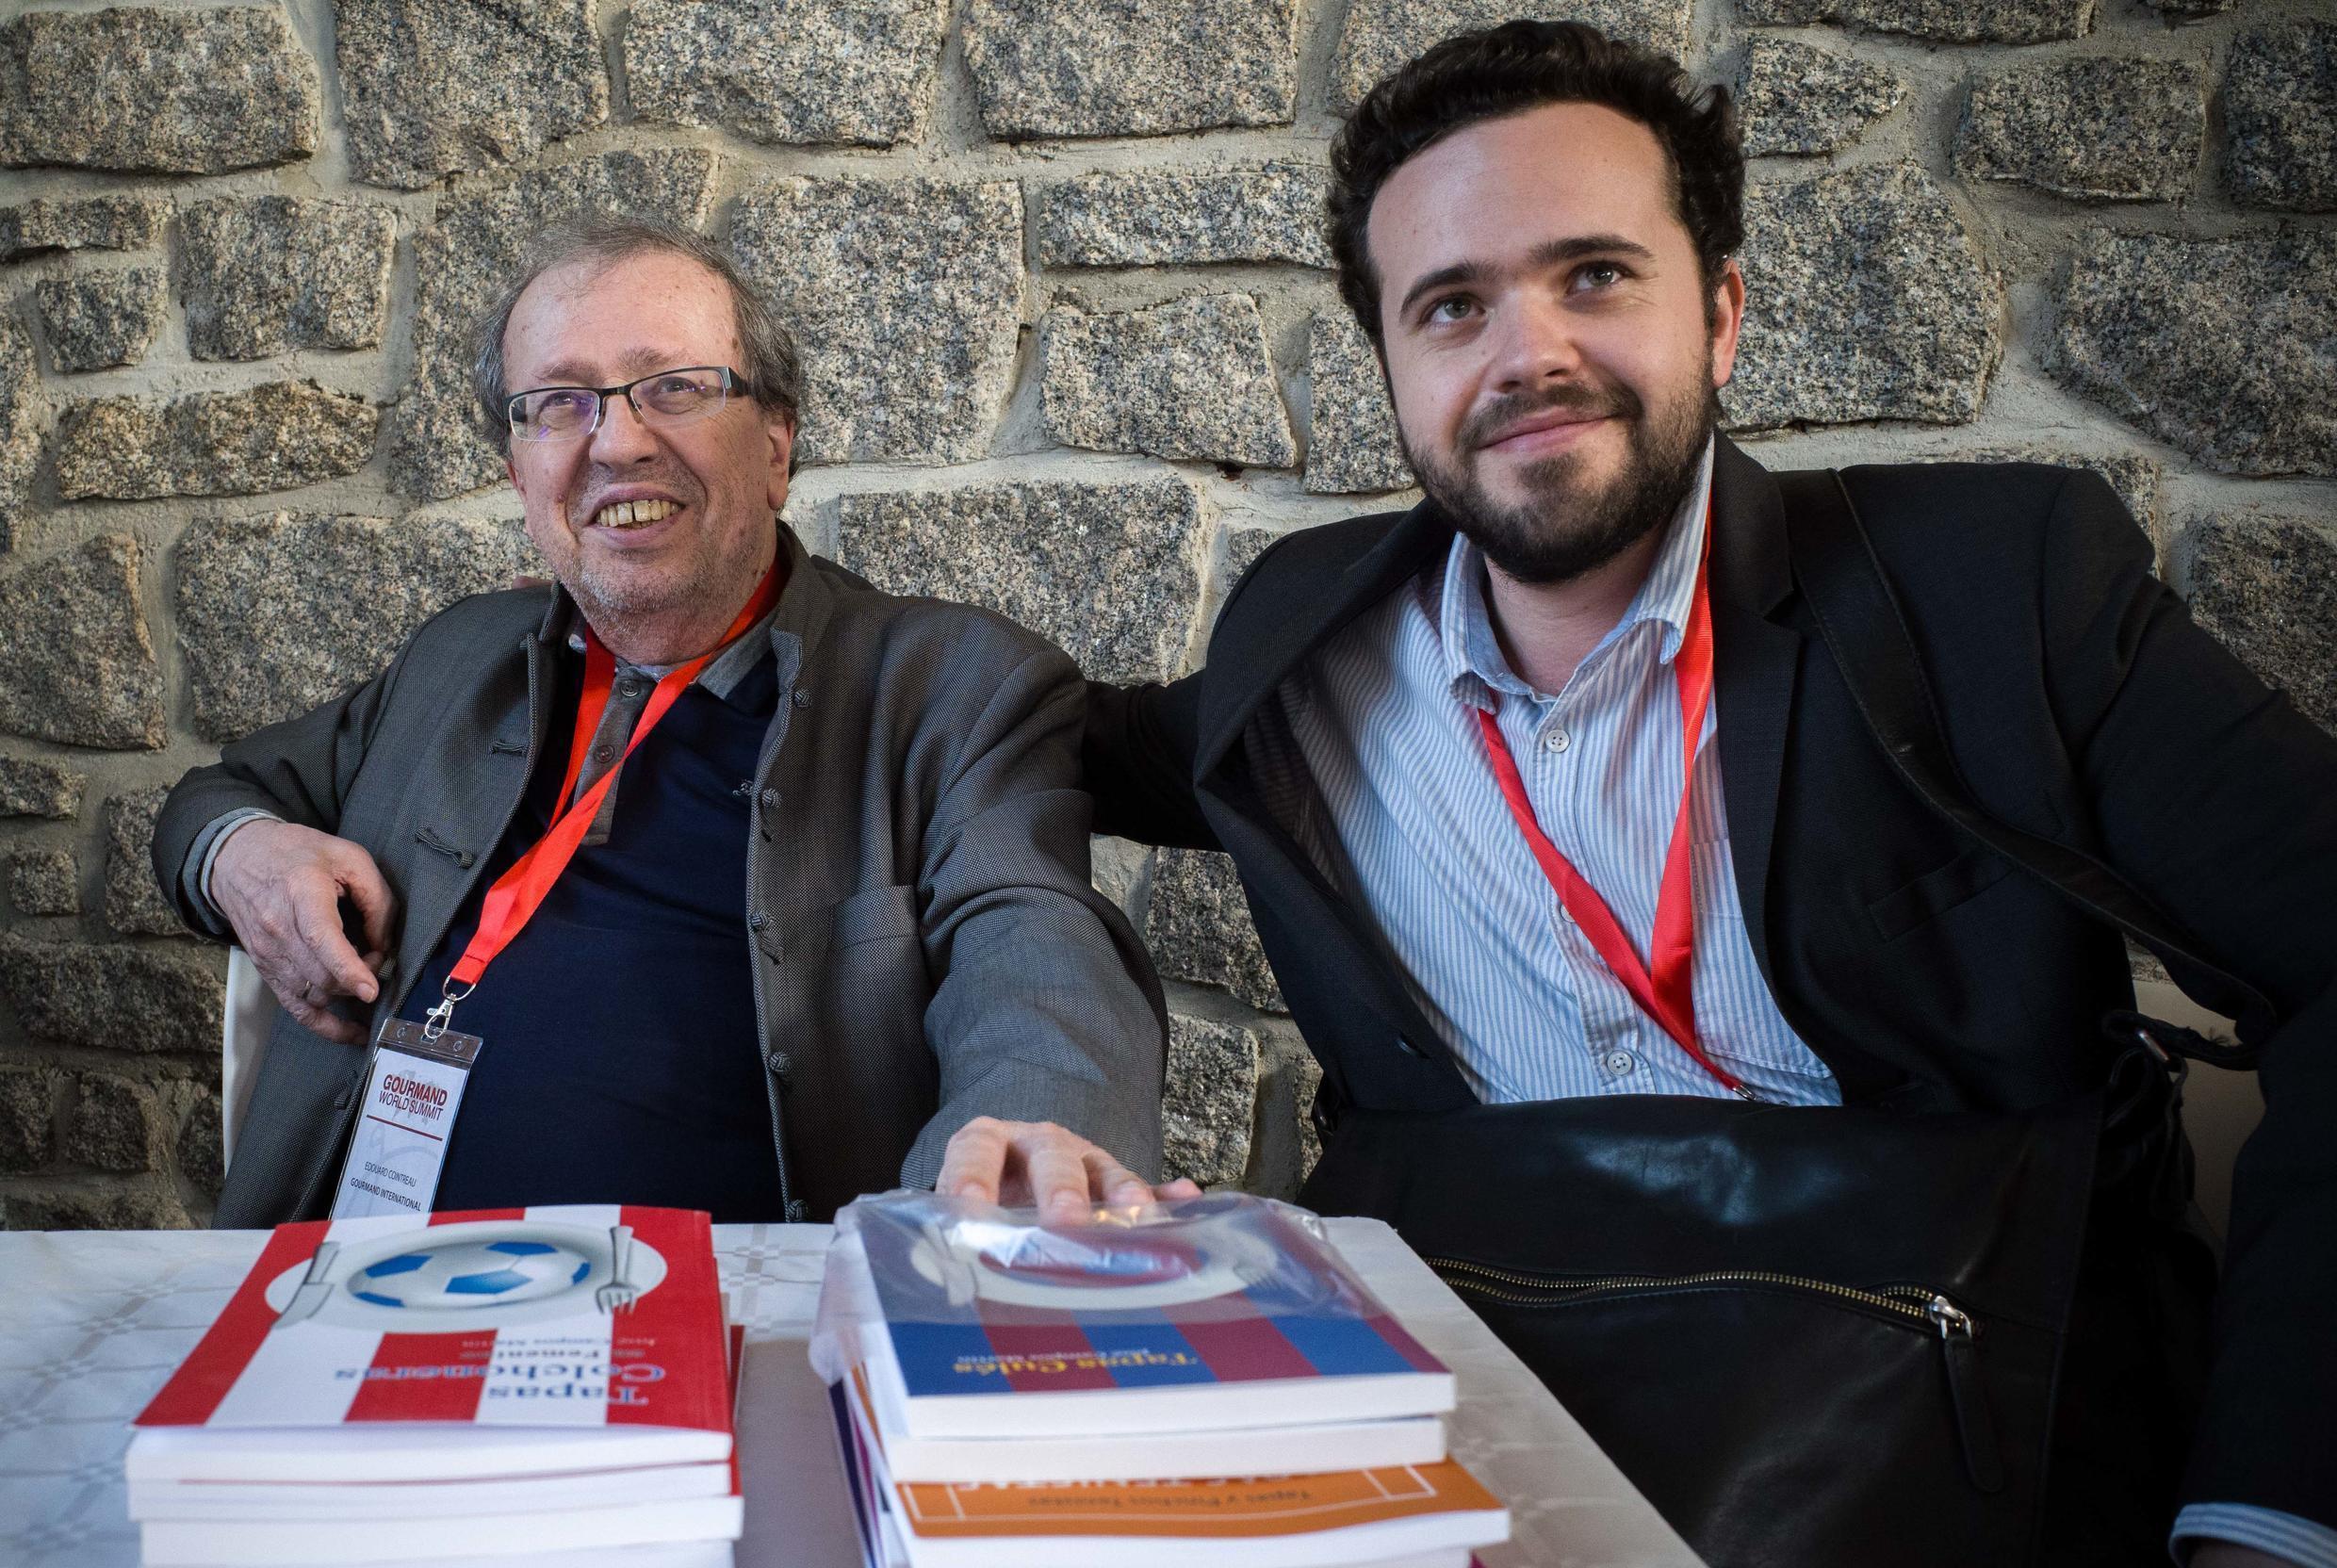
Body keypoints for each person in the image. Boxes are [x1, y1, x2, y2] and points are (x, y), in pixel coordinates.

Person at [1083, 22, 2333, 1568]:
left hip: (1951, 1433)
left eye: (1594, 274)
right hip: (1483, 1423)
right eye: (1454, 305)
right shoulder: (1298, 648)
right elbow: (1040, 741)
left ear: (1723, 312)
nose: (1528, 350)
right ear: (1395, 372)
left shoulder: (2003, 591)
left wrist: (2268, 1512)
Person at [156, 216, 1192, 1232]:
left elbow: (1036, 947)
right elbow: (219, 795)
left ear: (776, 445)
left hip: (723, 1335)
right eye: (557, 403)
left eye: (674, 389)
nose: (617, 441)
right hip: (349, 1295)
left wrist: (1024, 1140)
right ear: (519, 472)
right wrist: (243, 856)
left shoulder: (951, 687)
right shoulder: (457, 655)